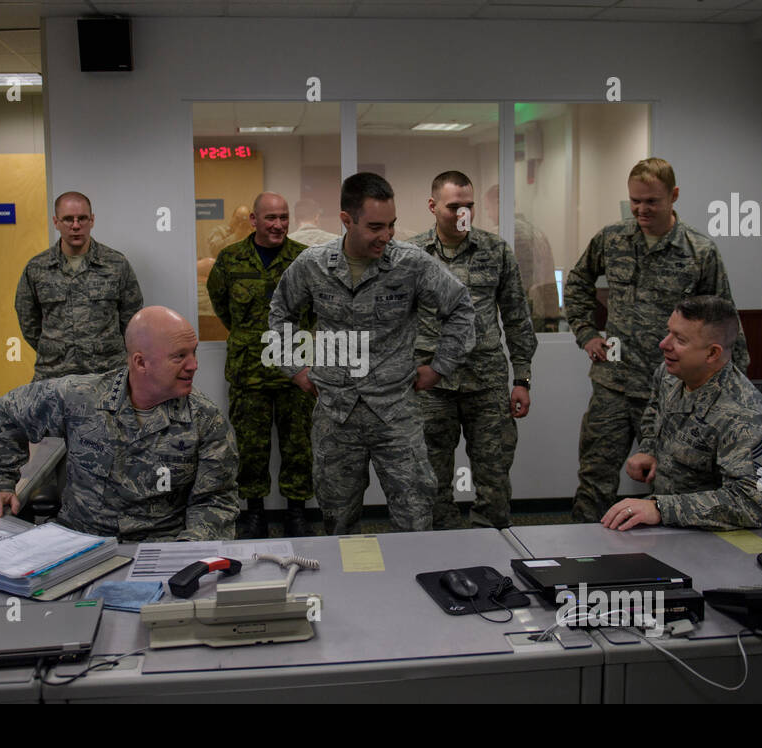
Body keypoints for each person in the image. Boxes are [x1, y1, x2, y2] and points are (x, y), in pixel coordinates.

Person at [269, 173, 475, 534]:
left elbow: (460, 308)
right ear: (346, 220)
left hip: (395, 413)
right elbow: (279, 315)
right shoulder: (313, 264)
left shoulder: (410, 263)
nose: (387, 235)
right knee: (337, 520)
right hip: (336, 414)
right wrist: (296, 371)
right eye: (376, 226)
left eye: (392, 225)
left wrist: (440, 367)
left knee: (415, 515)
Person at [564, 158, 749, 522]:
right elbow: (576, 284)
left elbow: (725, 321)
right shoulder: (612, 238)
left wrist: (733, 388)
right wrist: (586, 333)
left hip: (672, 391)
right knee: (594, 480)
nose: (641, 209)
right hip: (614, 383)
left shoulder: (699, 251)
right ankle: (579, 558)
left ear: (673, 196)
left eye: (651, 201)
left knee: (671, 483)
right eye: (635, 201)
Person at [0, 306, 239, 541]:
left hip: (159, 544)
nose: (194, 365)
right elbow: (8, 412)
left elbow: (215, 500)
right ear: (140, 362)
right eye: (179, 356)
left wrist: (190, 551)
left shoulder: (205, 419)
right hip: (79, 540)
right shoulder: (82, 396)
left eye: (193, 353)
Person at [409, 171, 537, 529]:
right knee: (431, 484)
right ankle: (443, 558)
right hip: (432, 387)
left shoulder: (496, 251)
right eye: (453, 207)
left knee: (493, 482)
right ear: (433, 206)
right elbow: (393, 319)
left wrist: (523, 378)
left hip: (487, 385)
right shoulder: (411, 256)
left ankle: (493, 559)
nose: (463, 214)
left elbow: (517, 318)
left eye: (469, 206)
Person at [602, 296, 762, 531]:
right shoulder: (671, 374)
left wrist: (660, 508)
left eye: (680, 339)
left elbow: (756, 503)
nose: (664, 344)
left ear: (712, 353)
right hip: (667, 522)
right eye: (669, 332)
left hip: (708, 536)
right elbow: (655, 407)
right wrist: (649, 449)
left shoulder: (746, 418)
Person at [206, 192, 313, 538]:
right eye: (271, 218)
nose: (279, 224)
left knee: (299, 447)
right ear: (254, 220)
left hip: (295, 375)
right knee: (250, 450)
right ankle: (254, 513)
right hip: (248, 373)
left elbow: (315, 312)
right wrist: (250, 337)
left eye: (284, 217)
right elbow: (222, 306)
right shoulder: (230, 259)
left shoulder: (303, 260)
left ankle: (297, 512)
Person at [15, 191, 143, 382]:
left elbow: (132, 318)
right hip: (54, 374)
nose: (76, 226)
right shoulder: (37, 267)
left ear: (92, 220)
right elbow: (28, 321)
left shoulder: (116, 264)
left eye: (82, 218)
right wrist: (56, 349)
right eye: (68, 219)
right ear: (56, 222)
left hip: (106, 374)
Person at [484, 184, 561, 332]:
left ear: (499, 203)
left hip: (522, 315)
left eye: (488, 208)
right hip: (546, 313)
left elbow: (518, 282)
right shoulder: (536, 231)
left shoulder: (503, 234)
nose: (488, 214)